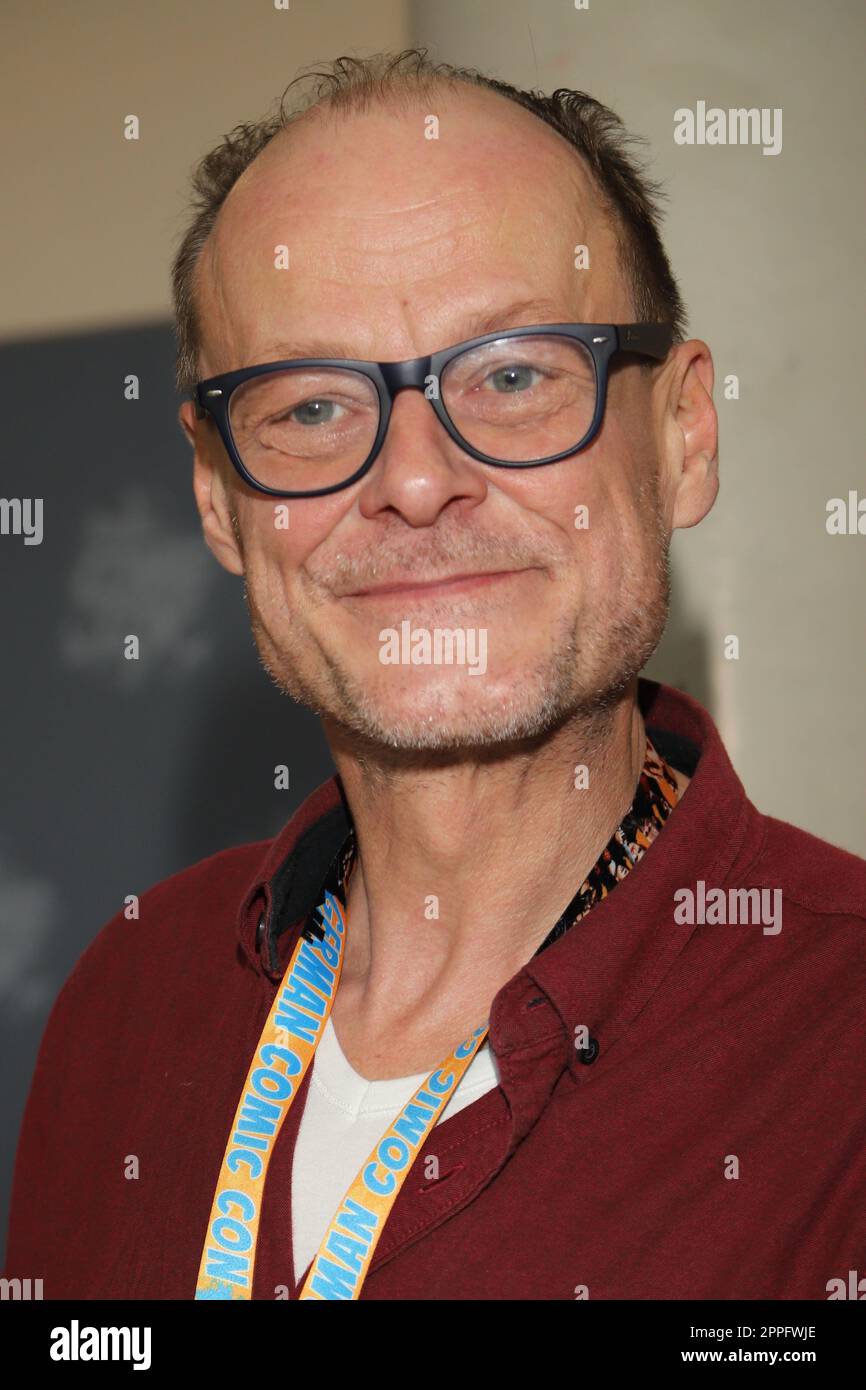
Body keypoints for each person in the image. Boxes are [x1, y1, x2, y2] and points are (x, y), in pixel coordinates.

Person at [5, 49, 865, 1302]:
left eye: (511, 376)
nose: (412, 481)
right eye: (308, 409)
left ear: (681, 435)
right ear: (216, 497)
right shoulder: (128, 1005)